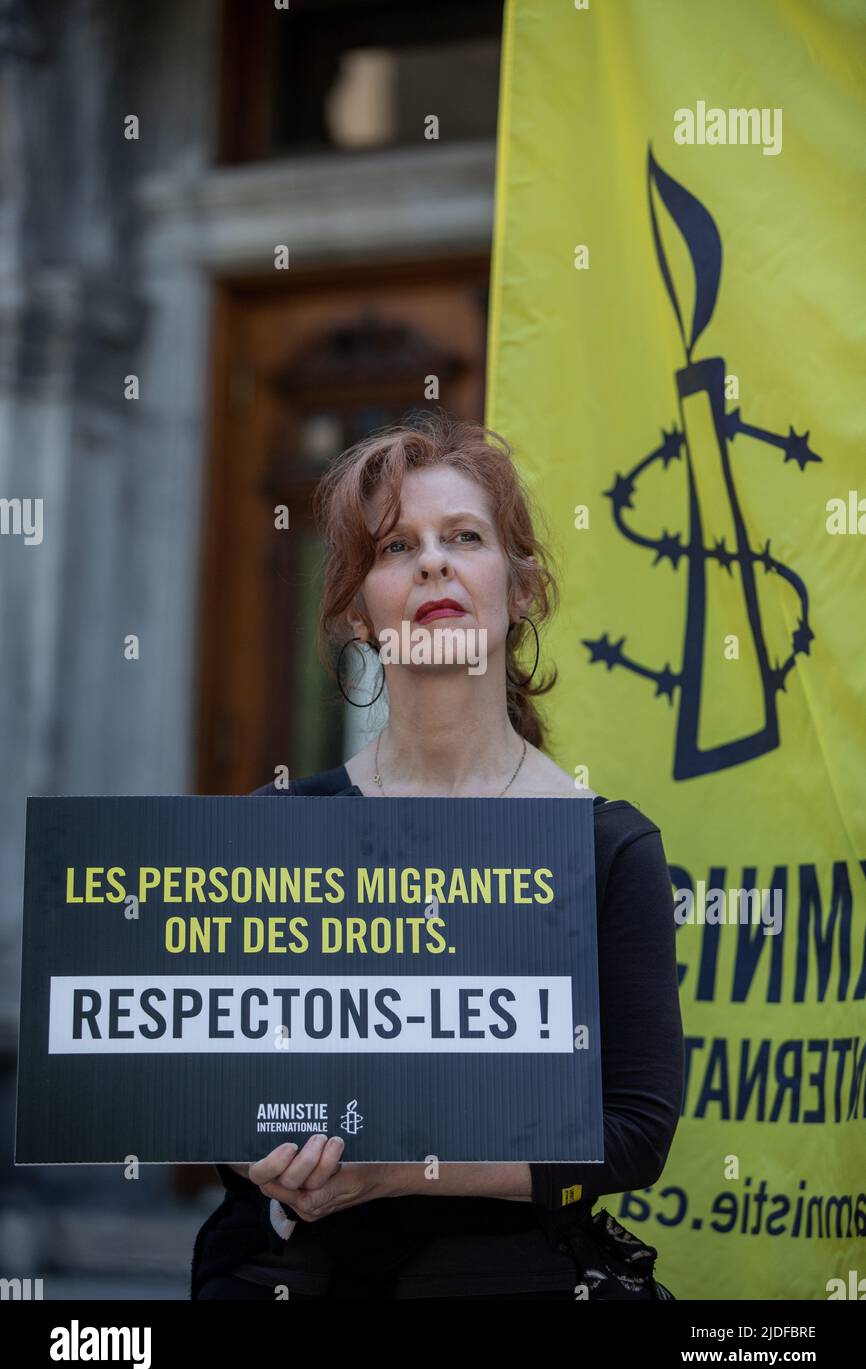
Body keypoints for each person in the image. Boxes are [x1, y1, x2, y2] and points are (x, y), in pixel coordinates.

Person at [191, 412, 684, 1300]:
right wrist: (258, 1158)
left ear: (522, 589)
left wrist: (394, 1173)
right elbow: (213, 1087)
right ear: (353, 611)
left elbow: (634, 1134)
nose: (432, 563)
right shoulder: (274, 829)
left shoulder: (607, 846)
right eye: (394, 548)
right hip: (286, 1274)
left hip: (516, 1277)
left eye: (465, 537)